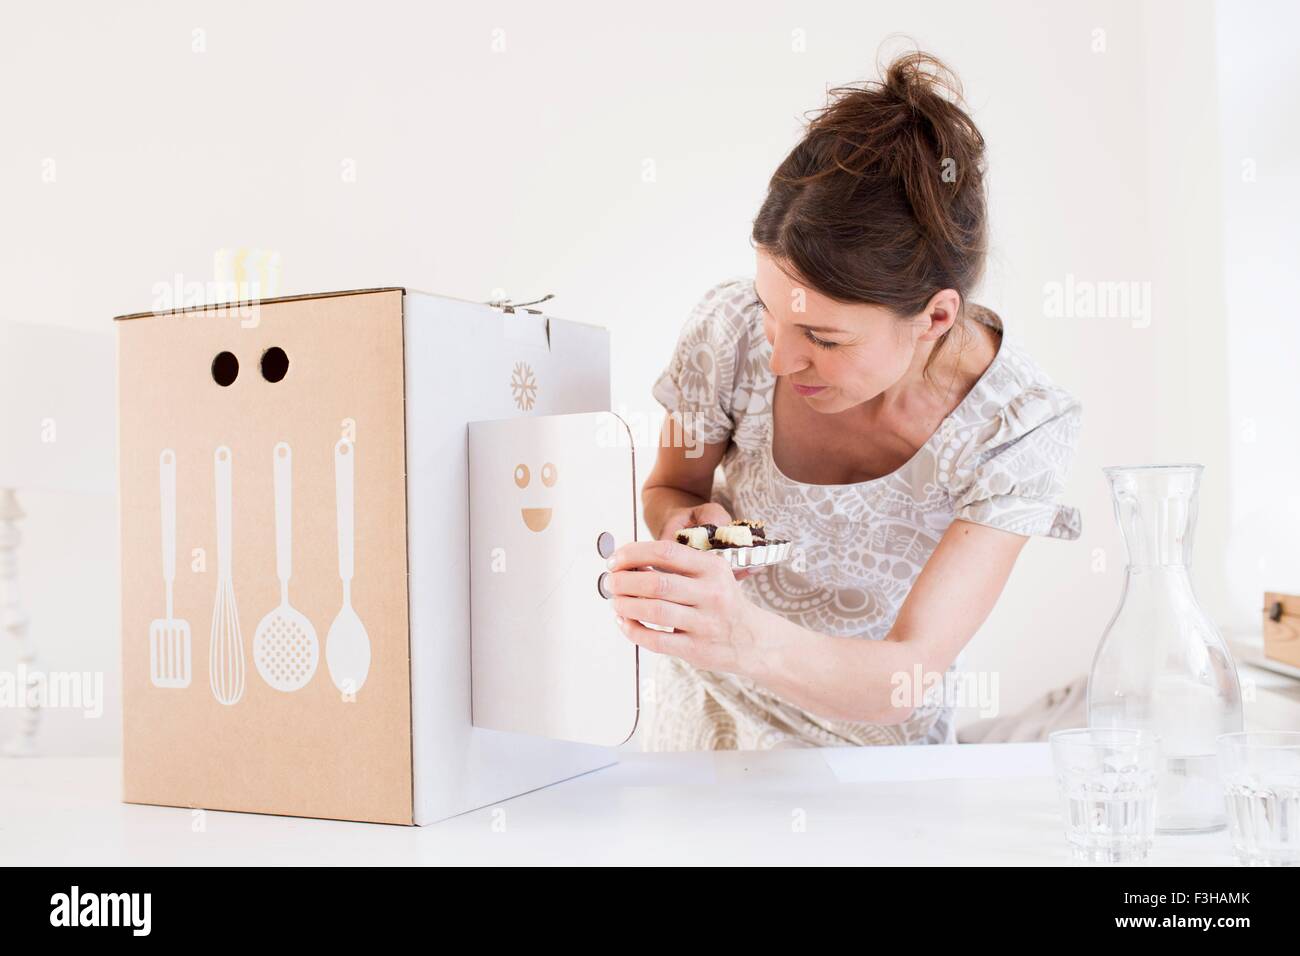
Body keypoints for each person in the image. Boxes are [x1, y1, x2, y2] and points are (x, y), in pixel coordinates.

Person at [604, 51, 1083, 750]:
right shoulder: (728, 331)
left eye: (823, 338)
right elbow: (670, 485)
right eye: (772, 310)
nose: (778, 356)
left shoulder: (1019, 425)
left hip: (875, 750)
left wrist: (740, 633)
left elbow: (907, 673)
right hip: (705, 721)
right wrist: (684, 518)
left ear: (936, 319)